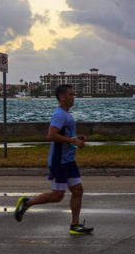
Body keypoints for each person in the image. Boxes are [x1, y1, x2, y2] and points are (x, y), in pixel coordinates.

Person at [14, 84, 93, 235]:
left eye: (73, 94)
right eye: (70, 94)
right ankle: (27, 203)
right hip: (59, 161)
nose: (73, 97)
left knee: (78, 190)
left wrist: (76, 138)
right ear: (62, 97)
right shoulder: (59, 114)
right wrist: (74, 141)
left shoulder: (66, 114)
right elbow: (51, 135)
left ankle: (75, 225)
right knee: (57, 196)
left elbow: (64, 135)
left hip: (68, 160)